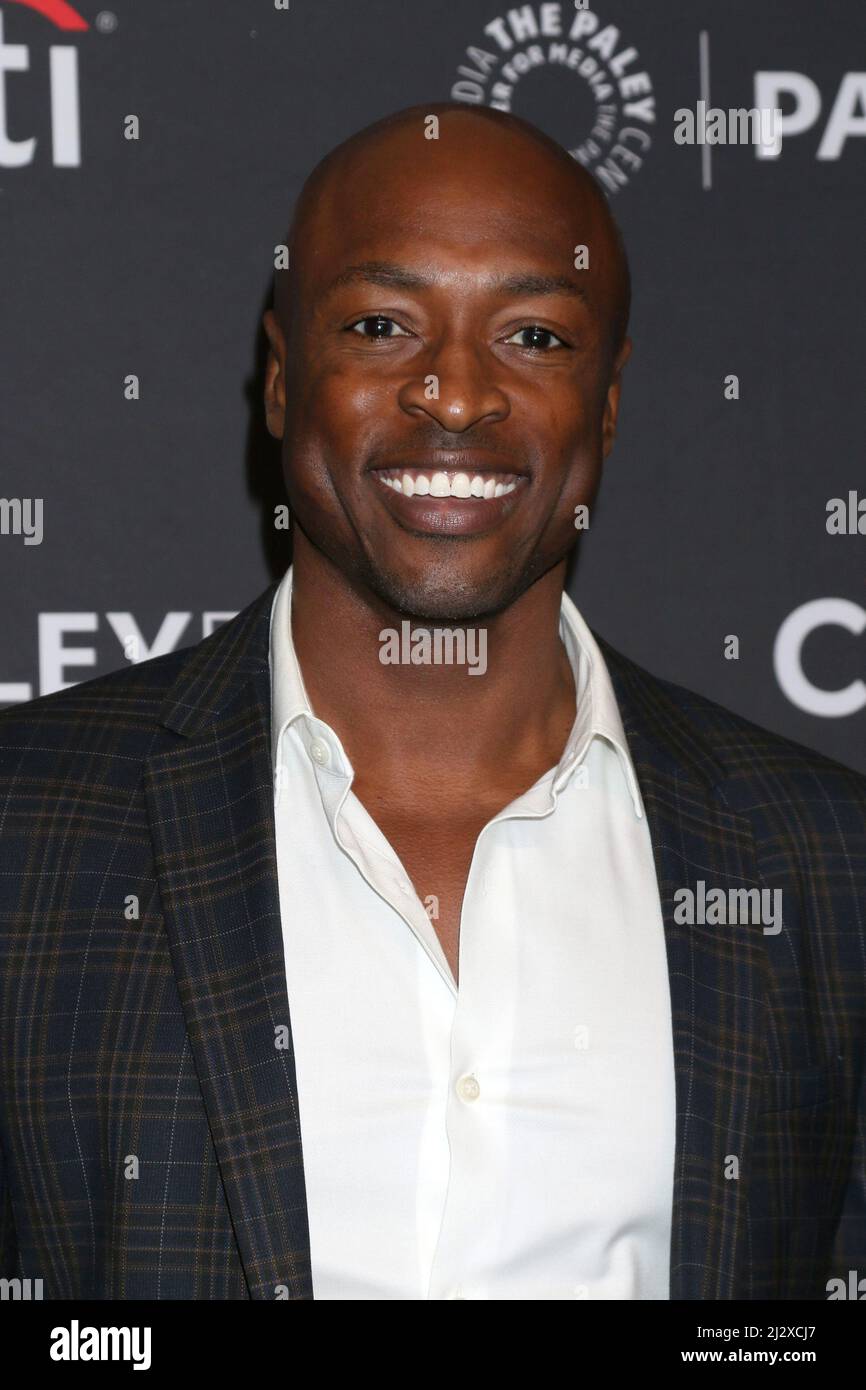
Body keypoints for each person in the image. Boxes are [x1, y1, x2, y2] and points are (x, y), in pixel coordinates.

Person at [0, 103, 863, 1302]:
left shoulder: (821, 865)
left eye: (532, 336)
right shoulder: (26, 830)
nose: (454, 394)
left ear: (605, 409)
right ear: (282, 379)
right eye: (379, 324)